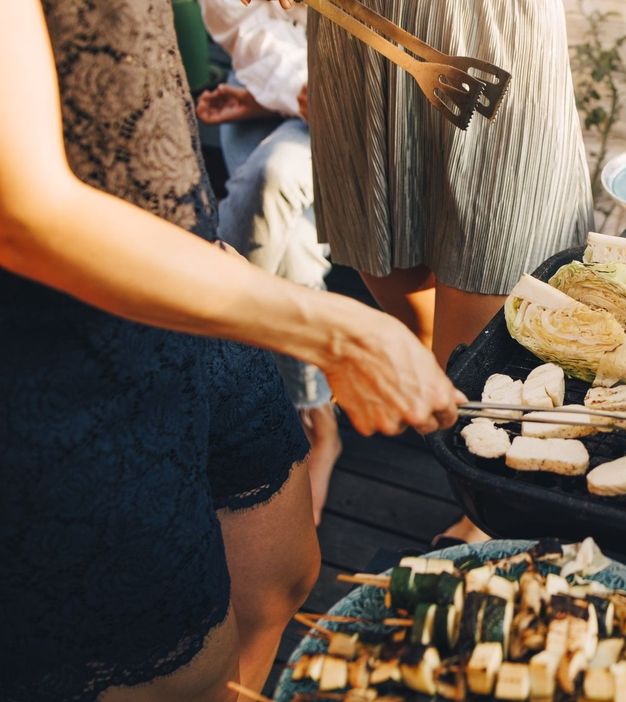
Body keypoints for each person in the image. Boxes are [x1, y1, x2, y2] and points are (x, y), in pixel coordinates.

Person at [0, 1, 460, 700]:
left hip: (192, 264)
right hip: (64, 350)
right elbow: (23, 213)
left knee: (277, 580)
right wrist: (336, 330)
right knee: (185, 676)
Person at [308, 0, 594, 543]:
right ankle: (437, 411)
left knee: (478, 337)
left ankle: (487, 510)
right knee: (397, 281)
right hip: (355, 34)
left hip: (490, 34)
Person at [198, 0, 341, 524]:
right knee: (296, 251)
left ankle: (217, 364)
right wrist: (274, 100)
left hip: (354, 112)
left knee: (272, 177)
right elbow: (252, 39)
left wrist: (264, 102)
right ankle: (316, 424)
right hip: (273, 92)